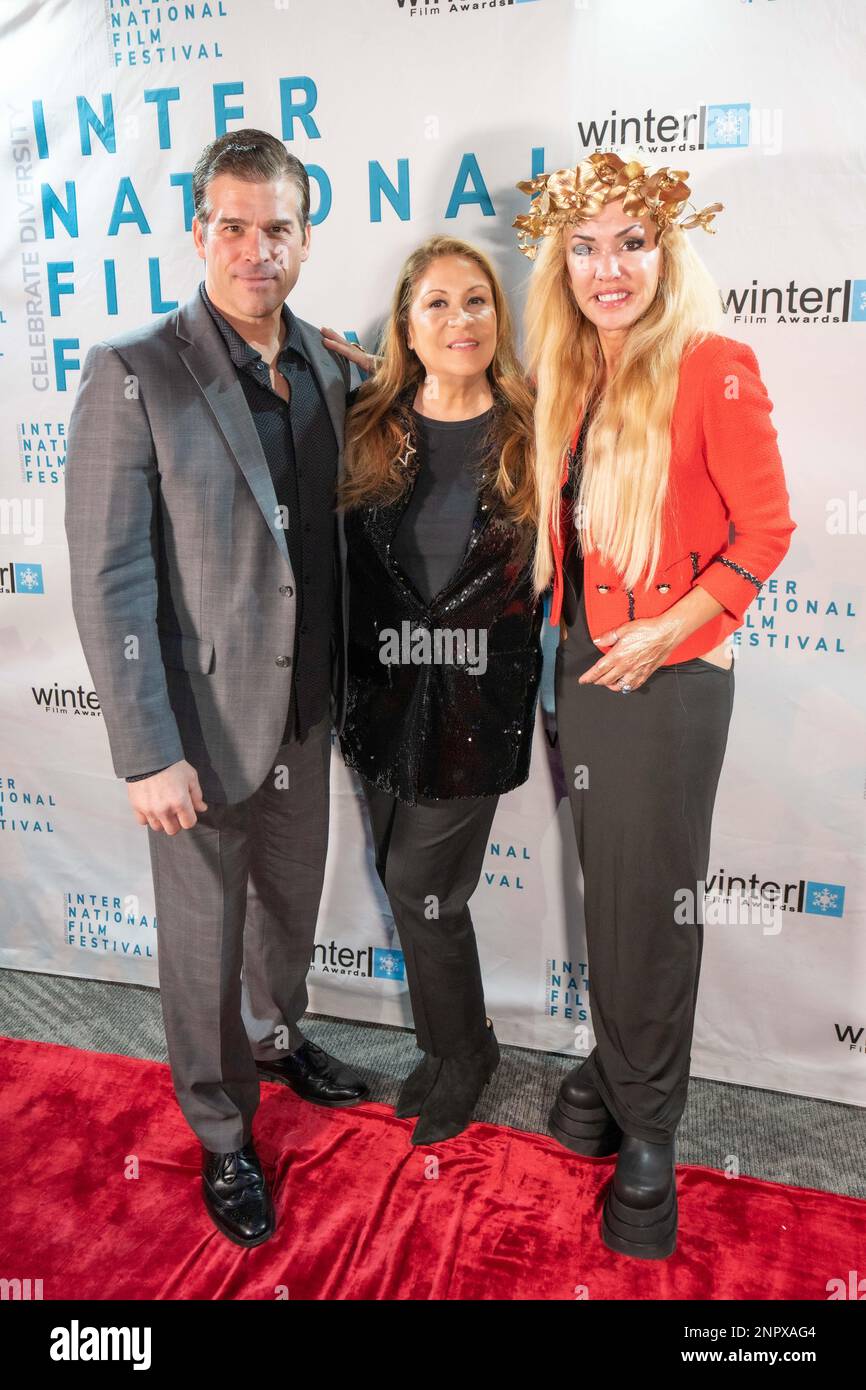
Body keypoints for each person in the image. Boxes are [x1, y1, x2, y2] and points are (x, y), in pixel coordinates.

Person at [64, 128, 368, 1249]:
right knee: (205, 935)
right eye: (231, 226)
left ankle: (277, 1037)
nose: (254, 248)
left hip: (306, 713)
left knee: (288, 909)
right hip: (192, 727)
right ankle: (221, 1128)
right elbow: (108, 573)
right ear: (199, 232)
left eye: (275, 228)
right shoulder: (135, 370)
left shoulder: (330, 366)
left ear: (303, 236)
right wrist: (145, 748)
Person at [514, 153, 796, 1258]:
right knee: (614, 897)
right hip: (581, 668)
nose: (607, 267)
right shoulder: (571, 372)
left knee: (645, 909)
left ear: (668, 251)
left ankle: (649, 1137)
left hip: (664, 676)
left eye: (630, 242)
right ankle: (611, 1065)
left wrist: (663, 633)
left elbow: (762, 536)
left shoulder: (711, 363)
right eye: (583, 247)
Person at [323, 235, 542, 1144]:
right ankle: (452, 1043)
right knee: (400, 877)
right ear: (408, 325)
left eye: (478, 301)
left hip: (475, 708)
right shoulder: (368, 421)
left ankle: (467, 1051)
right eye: (438, 303)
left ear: (501, 318)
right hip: (377, 697)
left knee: (425, 888)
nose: (461, 319)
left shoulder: (542, 429)